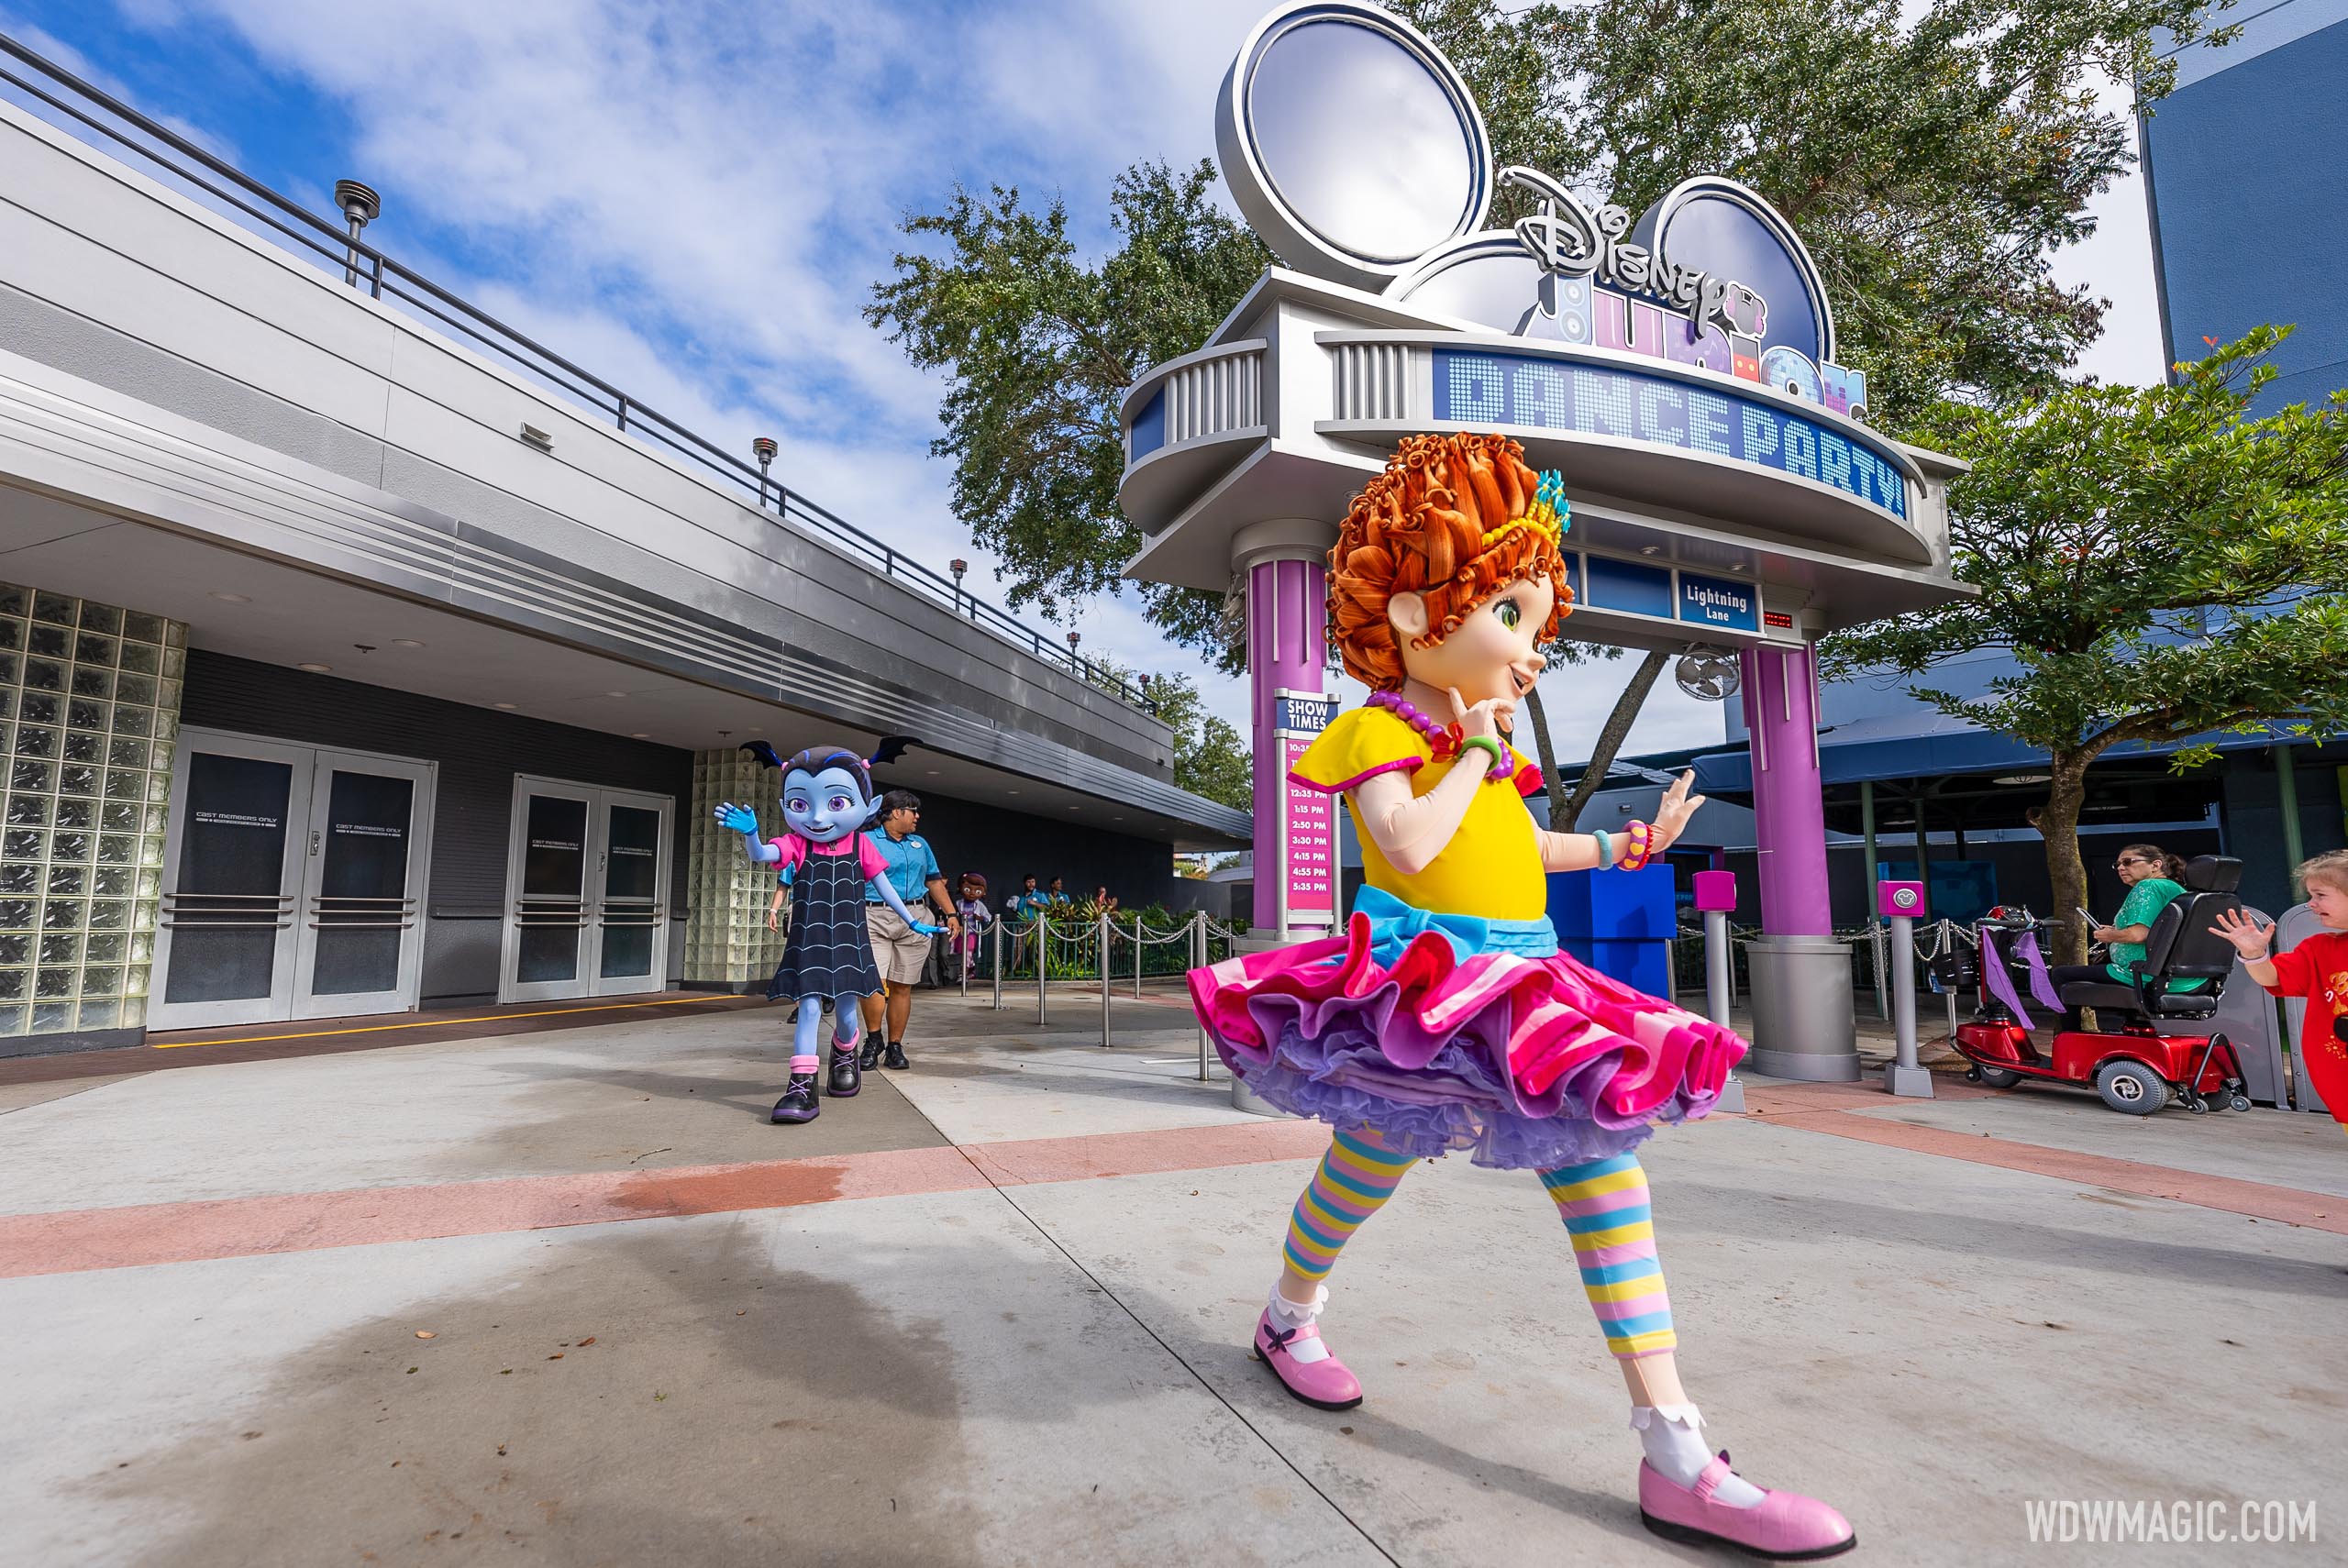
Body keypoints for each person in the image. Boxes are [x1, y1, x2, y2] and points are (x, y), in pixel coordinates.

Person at [1186, 435, 1852, 1558]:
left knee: (1603, 1168)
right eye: (1511, 615)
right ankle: (1288, 1319)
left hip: (1525, 979)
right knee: (1361, 1169)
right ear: (1414, 615)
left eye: (1538, 625)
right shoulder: (1376, 730)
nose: (1533, 653)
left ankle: (1675, 1450)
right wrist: (1466, 753)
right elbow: (1407, 842)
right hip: (1421, 989)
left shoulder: (1483, 751)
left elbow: (1521, 847)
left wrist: (1626, 845)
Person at [715, 743, 941, 1123]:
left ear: (868, 805)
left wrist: (912, 920)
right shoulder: (796, 843)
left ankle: (844, 1051)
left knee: (848, 1012)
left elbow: (885, 888)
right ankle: (801, 1086)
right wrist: (751, 834)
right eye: (800, 804)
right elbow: (762, 855)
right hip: (809, 939)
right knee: (809, 1007)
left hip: (849, 938)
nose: (818, 816)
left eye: (836, 803)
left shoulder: (861, 844)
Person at [2213, 849, 2348, 1135]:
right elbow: (2273, 978)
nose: (2311, 904)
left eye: (2320, 895)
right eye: (2310, 895)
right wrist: (2254, 954)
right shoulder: (2319, 948)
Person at [859, 789, 960, 1071]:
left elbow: (934, 881)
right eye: (913, 811)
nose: (917, 817)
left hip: (916, 915)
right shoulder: (866, 840)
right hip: (873, 914)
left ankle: (895, 1046)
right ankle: (873, 1040)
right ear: (895, 812)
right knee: (873, 982)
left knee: (902, 986)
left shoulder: (920, 844)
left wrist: (951, 913)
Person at [2050, 844, 2202, 1020]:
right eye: (2118, 864)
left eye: (2128, 862)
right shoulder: (2175, 889)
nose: (2121, 868)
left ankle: (2069, 1033)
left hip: (2141, 974)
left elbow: (2139, 934)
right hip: (2179, 976)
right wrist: (2117, 932)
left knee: (2061, 974)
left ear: (2155, 865)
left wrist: (2110, 936)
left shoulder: (2148, 886)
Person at [955, 873, 991, 980]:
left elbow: (988, 917)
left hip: (972, 932)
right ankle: (972, 968)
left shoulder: (979, 905)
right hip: (961, 932)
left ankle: (963, 973)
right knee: (963, 951)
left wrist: (980, 918)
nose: (972, 893)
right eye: (967, 889)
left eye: (977, 891)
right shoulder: (958, 903)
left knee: (968, 950)